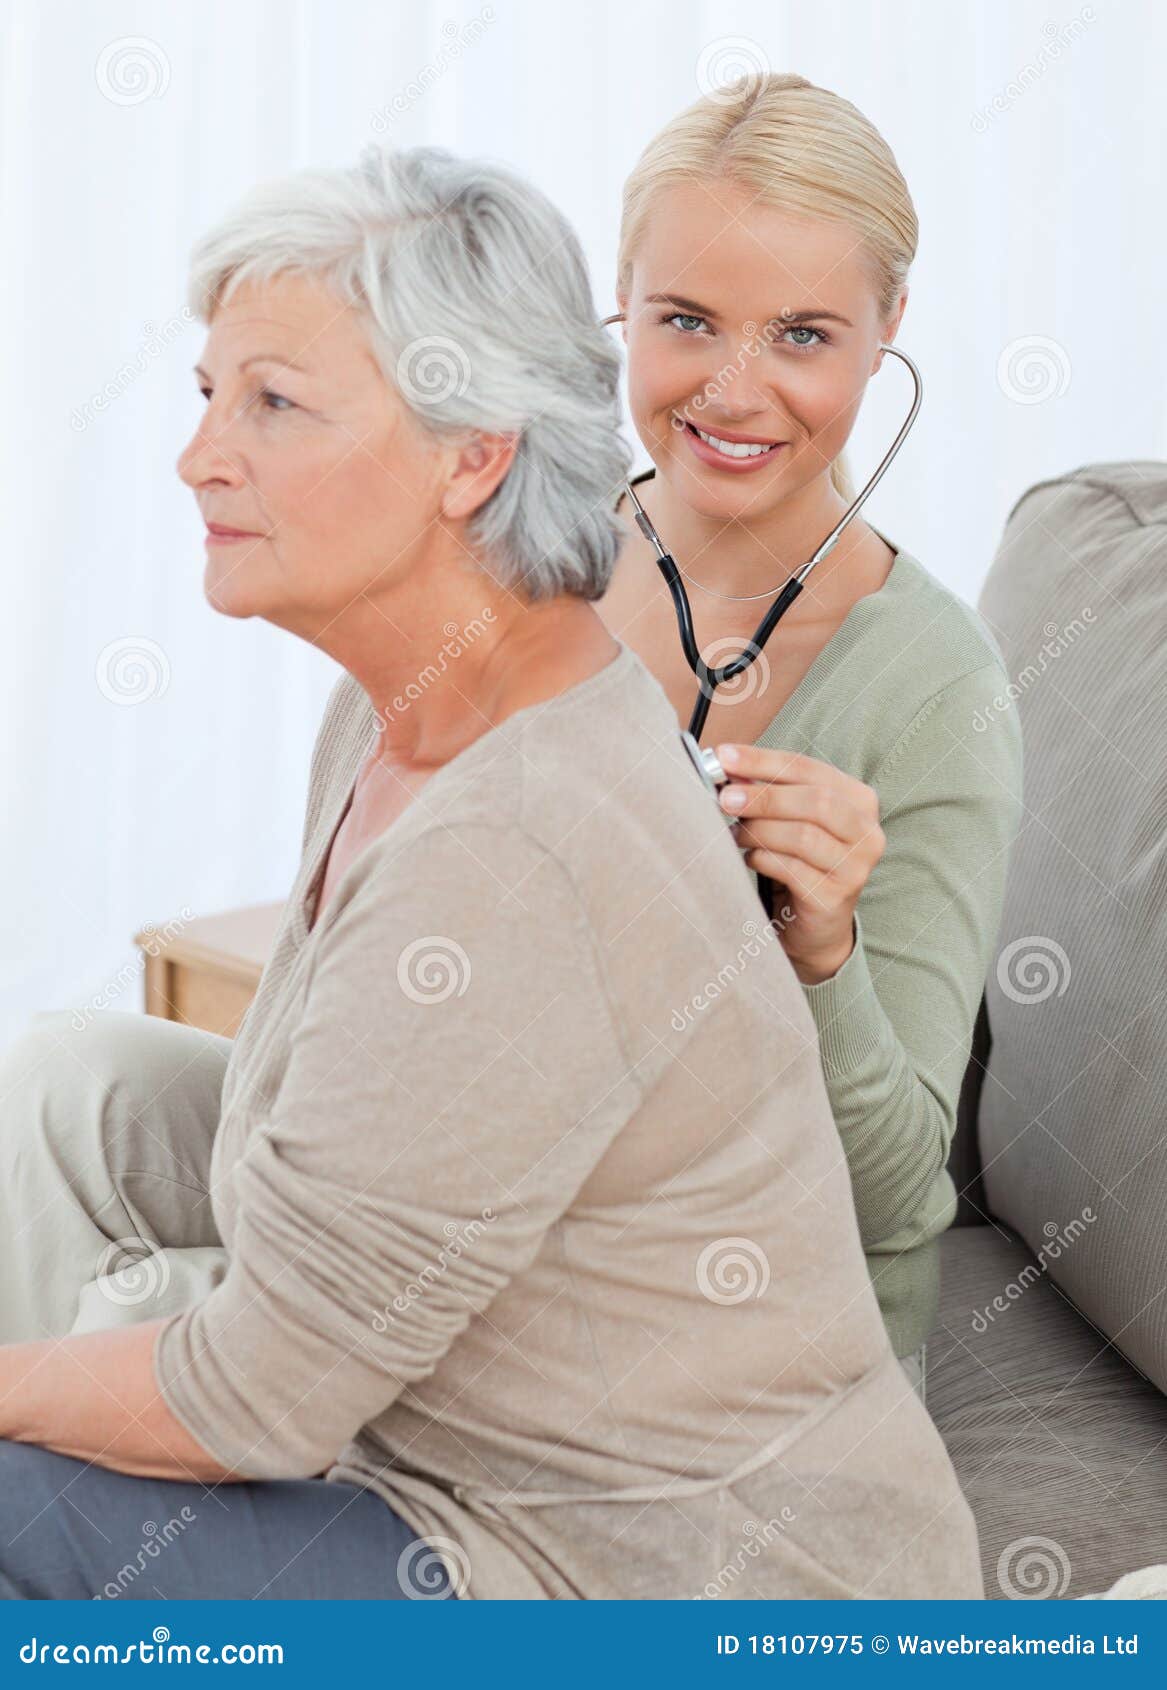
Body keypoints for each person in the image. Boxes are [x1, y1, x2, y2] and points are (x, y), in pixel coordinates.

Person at [0, 144, 983, 1601]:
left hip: (663, 1580)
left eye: (273, 403)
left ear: (472, 456)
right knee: (70, 1075)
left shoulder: (519, 842)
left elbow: (257, 1399)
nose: (200, 455)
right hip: (453, 1436)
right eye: (209, 396)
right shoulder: (400, 710)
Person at [596, 72, 1024, 1393]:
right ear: (621, 305)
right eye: (687, 321)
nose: (734, 392)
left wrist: (823, 953)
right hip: (506, 1240)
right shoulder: (519, 576)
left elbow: (893, 1199)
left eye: (801, 335)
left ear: (887, 332)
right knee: (76, 1082)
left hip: (760, 1345)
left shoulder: (936, 688)